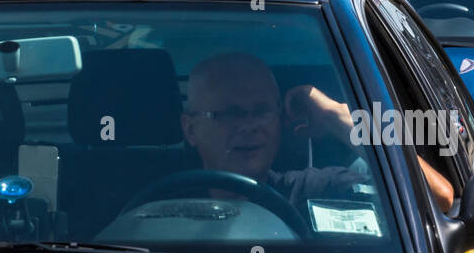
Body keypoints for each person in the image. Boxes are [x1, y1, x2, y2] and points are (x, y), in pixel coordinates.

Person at [181, 53, 455, 213]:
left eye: (263, 111)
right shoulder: (149, 201)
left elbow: (439, 198)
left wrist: (334, 115)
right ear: (190, 128)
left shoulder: (320, 190)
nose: (250, 125)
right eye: (232, 113)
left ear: (280, 120)